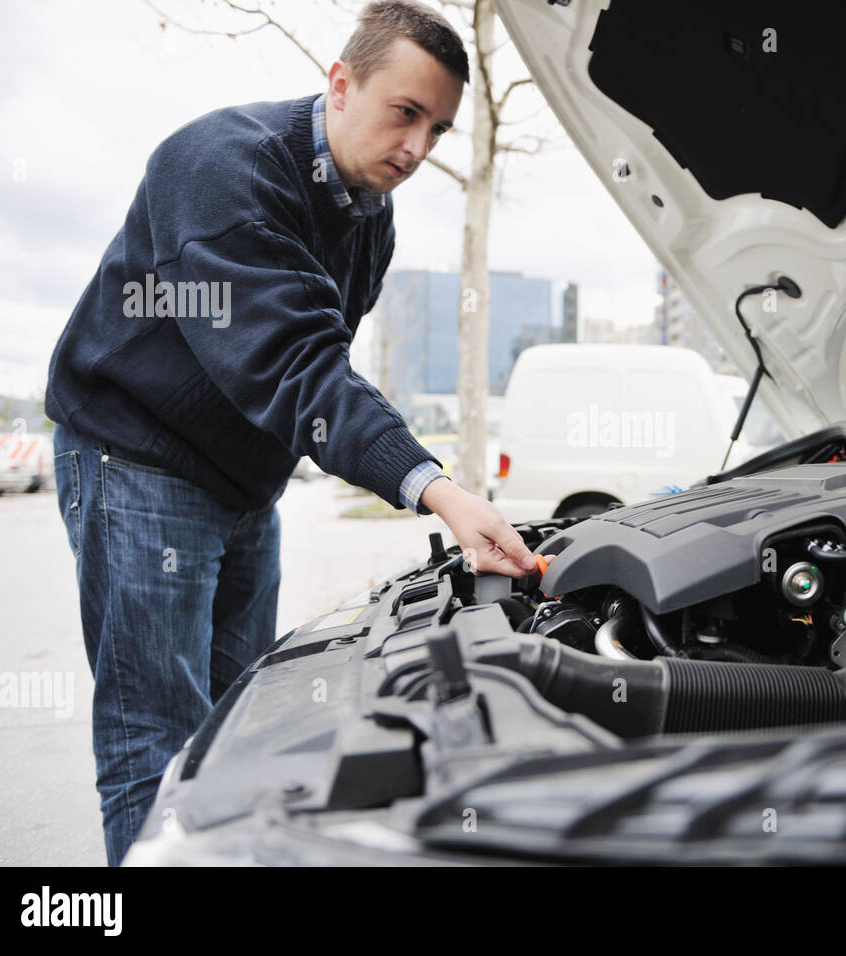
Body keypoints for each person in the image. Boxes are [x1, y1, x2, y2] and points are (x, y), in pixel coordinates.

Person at [44, 0, 540, 866]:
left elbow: (317, 370)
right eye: (405, 113)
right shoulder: (220, 170)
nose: (420, 148)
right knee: (156, 741)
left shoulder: (369, 217)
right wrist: (436, 487)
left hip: (245, 488)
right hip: (139, 464)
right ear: (340, 84)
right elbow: (294, 365)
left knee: (249, 730)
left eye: (439, 128)